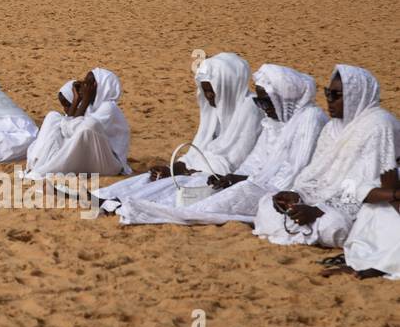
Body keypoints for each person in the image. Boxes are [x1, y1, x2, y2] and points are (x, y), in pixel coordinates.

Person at [115, 65, 326, 227]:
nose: (262, 108)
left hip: (276, 190)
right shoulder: (274, 121)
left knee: (227, 191)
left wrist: (240, 179)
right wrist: (230, 178)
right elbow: (253, 162)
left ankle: (151, 211)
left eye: (266, 101)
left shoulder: (309, 119)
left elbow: (291, 174)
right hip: (251, 180)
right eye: (260, 102)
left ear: (282, 97)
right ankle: (120, 201)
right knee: (195, 183)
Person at [255, 66, 399, 251]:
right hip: (323, 198)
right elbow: (317, 173)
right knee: (266, 203)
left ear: (355, 95)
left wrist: (318, 211)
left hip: (360, 204)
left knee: (332, 224)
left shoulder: (378, 125)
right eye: (327, 93)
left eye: (336, 95)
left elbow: (363, 185)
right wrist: (297, 195)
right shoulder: (332, 127)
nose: (329, 101)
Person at [24, 69, 131, 178]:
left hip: (108, 163)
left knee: (90, 125)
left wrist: (84, 101)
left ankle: (52, 167)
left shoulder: (108, 108)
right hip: (90, 157)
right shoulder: (90, 107)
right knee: (53, 117)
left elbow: (72, 130)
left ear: (98, 86)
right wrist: (76, 100)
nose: (84, 87)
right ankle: (37, 161)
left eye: (88, 84)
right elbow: (66, 129)